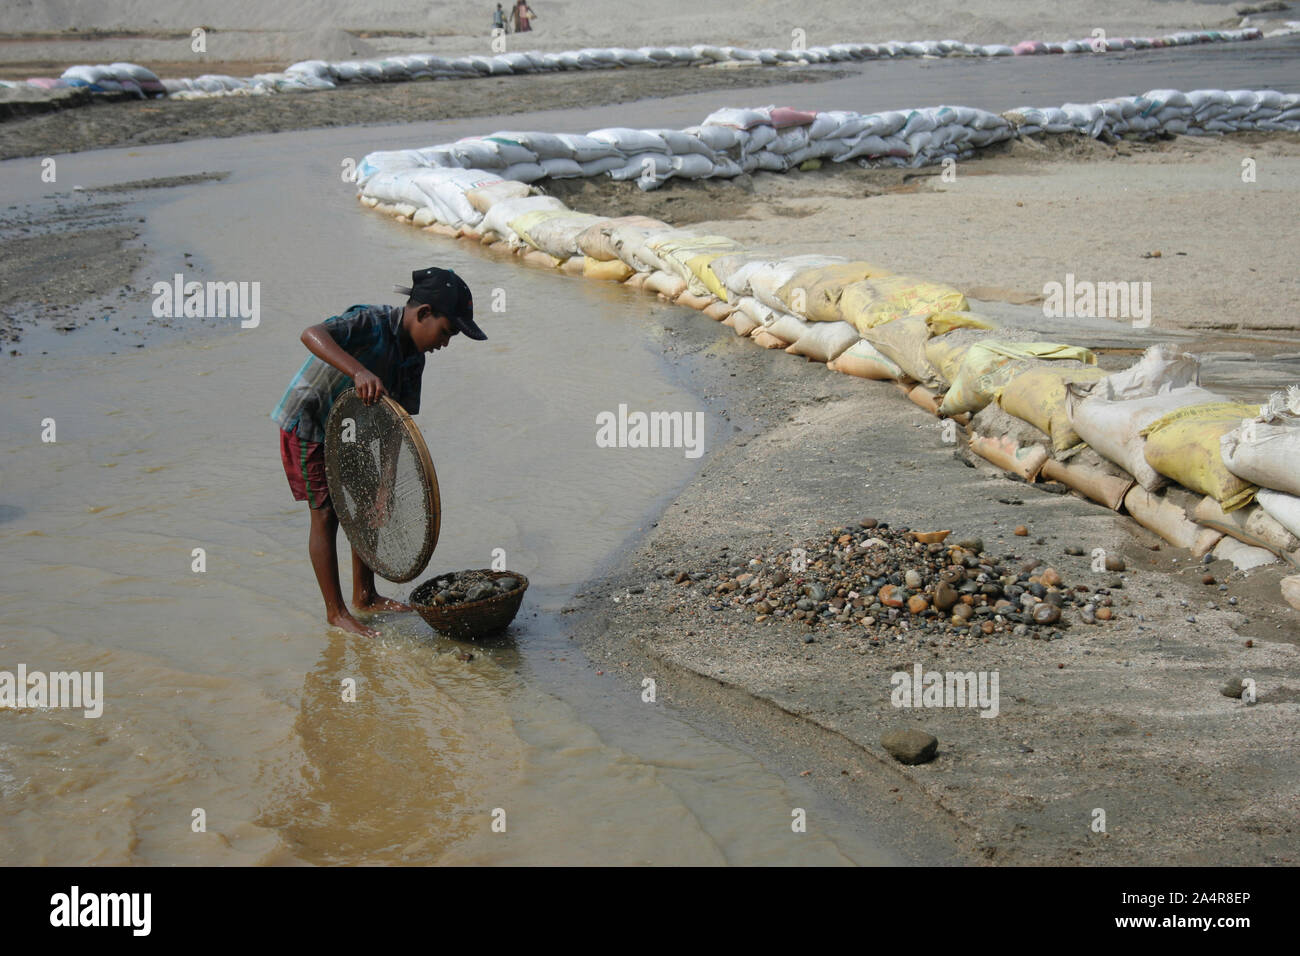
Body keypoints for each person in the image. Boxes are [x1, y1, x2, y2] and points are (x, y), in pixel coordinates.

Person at [271, 267, 486, 638]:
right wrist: (358, 372)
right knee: (325, 516)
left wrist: (386, 486)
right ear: (423, 314)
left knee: (369, 507)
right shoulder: (370, 321)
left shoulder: (414, 359)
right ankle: (336, 612)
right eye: (447, 332)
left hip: (353, 432)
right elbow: (311, 334)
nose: (446, 343)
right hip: (310, 423)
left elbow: (394, 428)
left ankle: (365, 596)